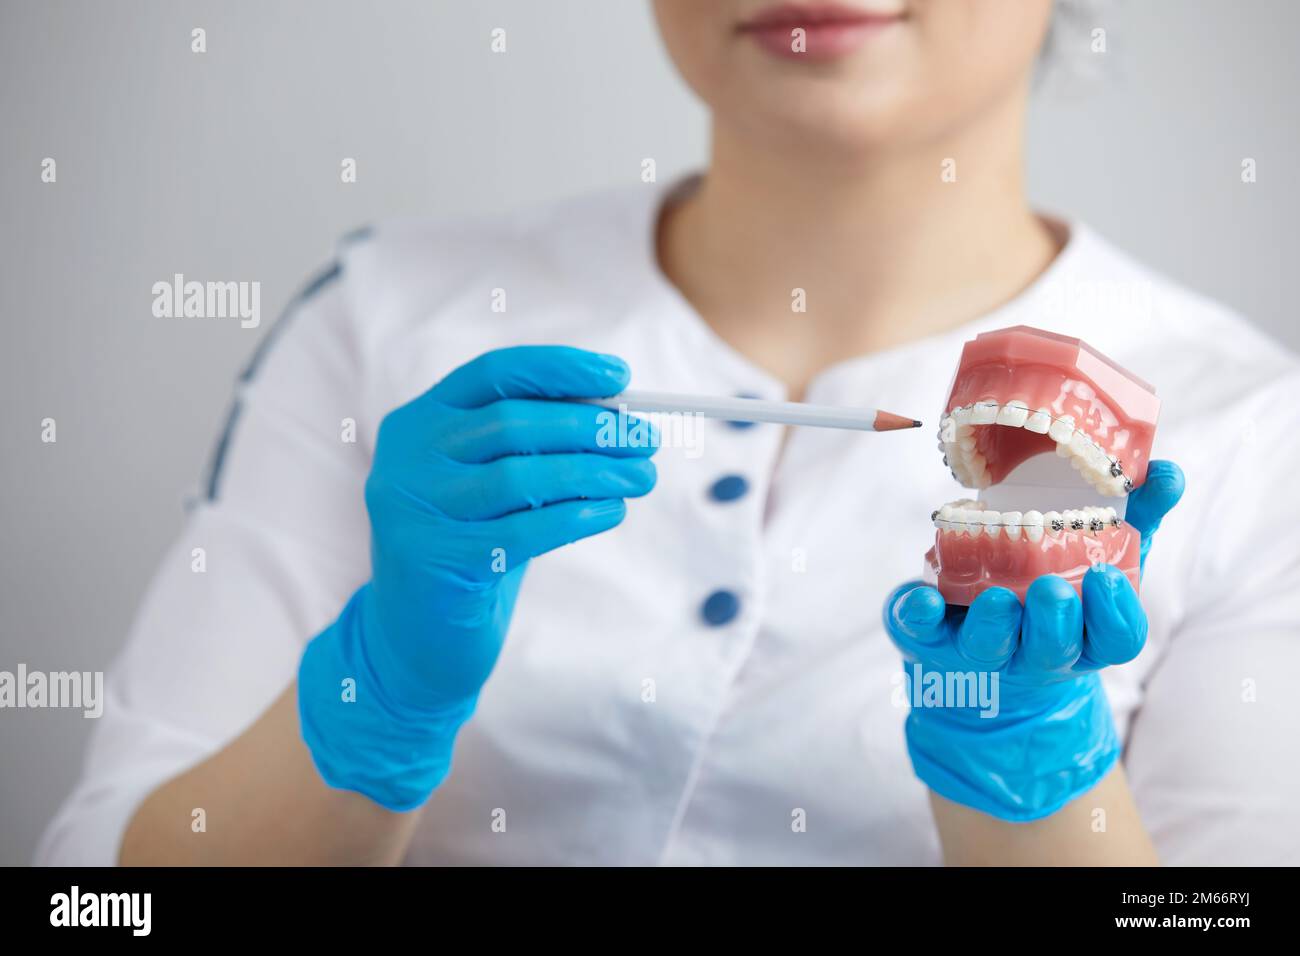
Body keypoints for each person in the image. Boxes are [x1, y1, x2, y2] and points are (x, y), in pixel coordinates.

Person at [39, 0, 1300, 866]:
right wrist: (377, 692)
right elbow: (104, 890)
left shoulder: (1252, 434)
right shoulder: (390, 321)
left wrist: (1035, 776)